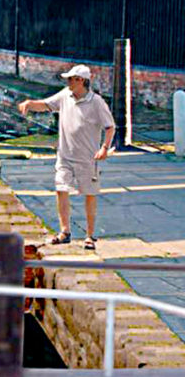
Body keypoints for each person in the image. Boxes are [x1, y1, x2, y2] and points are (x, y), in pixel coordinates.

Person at [18, 64, 116, 250]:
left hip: (87, 158)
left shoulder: (96, 102)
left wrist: (104, 148)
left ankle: (90, 236)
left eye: (71, 79)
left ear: (81, 81)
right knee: (61, 189)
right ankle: (65, 232)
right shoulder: (65, 95)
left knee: (89, 194)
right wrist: (30, 104)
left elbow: (110, 127)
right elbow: (46, 105)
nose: (67, 82)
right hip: (64, 155)